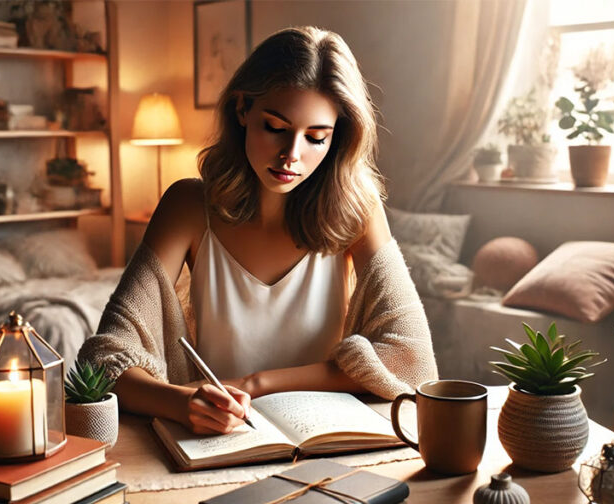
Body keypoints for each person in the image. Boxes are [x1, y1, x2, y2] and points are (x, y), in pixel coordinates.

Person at [78, 26, 436, 436]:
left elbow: (413, 361)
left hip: (321, 439)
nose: (292, 155)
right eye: (275, 127)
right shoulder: (188, 208)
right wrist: (182, 402)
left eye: (316, 138)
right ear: (242, 110)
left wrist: (255, 384)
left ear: (337, 138)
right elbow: (102, 362)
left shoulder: (358, 209)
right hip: (216, 440)